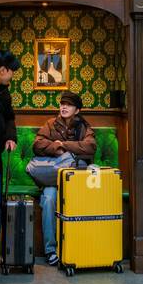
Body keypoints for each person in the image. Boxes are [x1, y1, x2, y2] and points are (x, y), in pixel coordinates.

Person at [32, 92, 96, 266]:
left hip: (76, 181)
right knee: (49, 199)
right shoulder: (51, 124)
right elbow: (37, 144)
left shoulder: (84, 127)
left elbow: (90, 146)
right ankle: (50, 250)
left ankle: (77, 247)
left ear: (77, 110)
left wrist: (64, 145)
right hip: (53, 177)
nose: (64, 107)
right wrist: (55, 148)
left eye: (68, 105)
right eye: (62, 104)